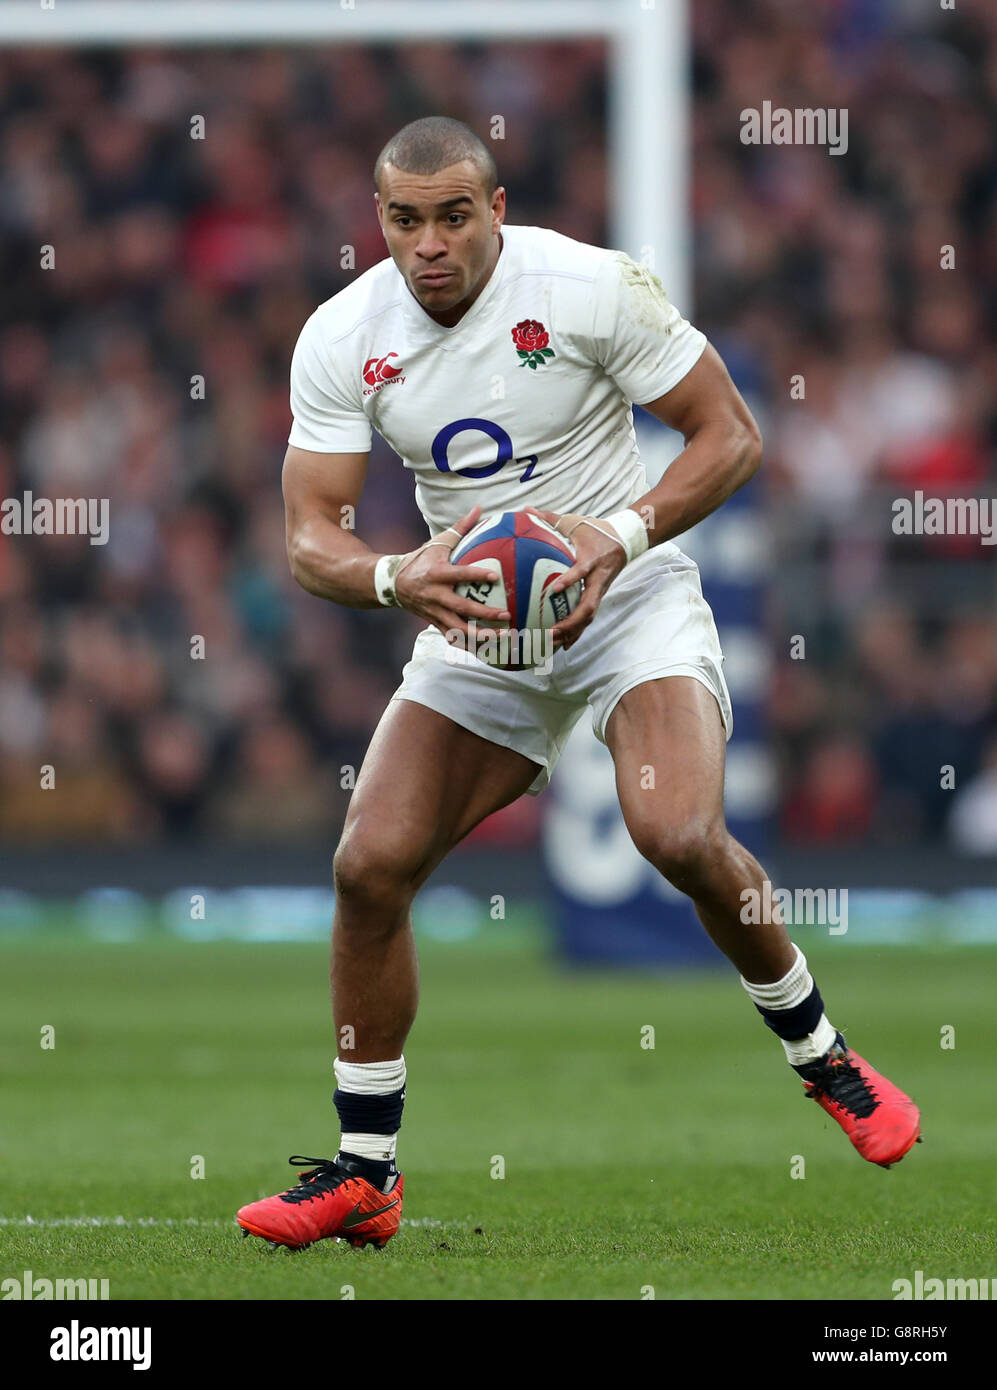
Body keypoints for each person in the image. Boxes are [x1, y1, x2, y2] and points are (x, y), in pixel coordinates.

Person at [236, 118, 920, 1252]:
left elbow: (730, 435)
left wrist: (617, 533)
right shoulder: (342, 335)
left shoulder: (591, 286)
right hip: (473, 627)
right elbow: (309, 535)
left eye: (454, 215)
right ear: (381, 224)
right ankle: (366, 1173)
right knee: (367, 865)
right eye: (405, 221)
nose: (431, 244)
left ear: (496, 208)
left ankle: (826, 1061)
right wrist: (400, 574)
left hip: (626, 605)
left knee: (677, 831)